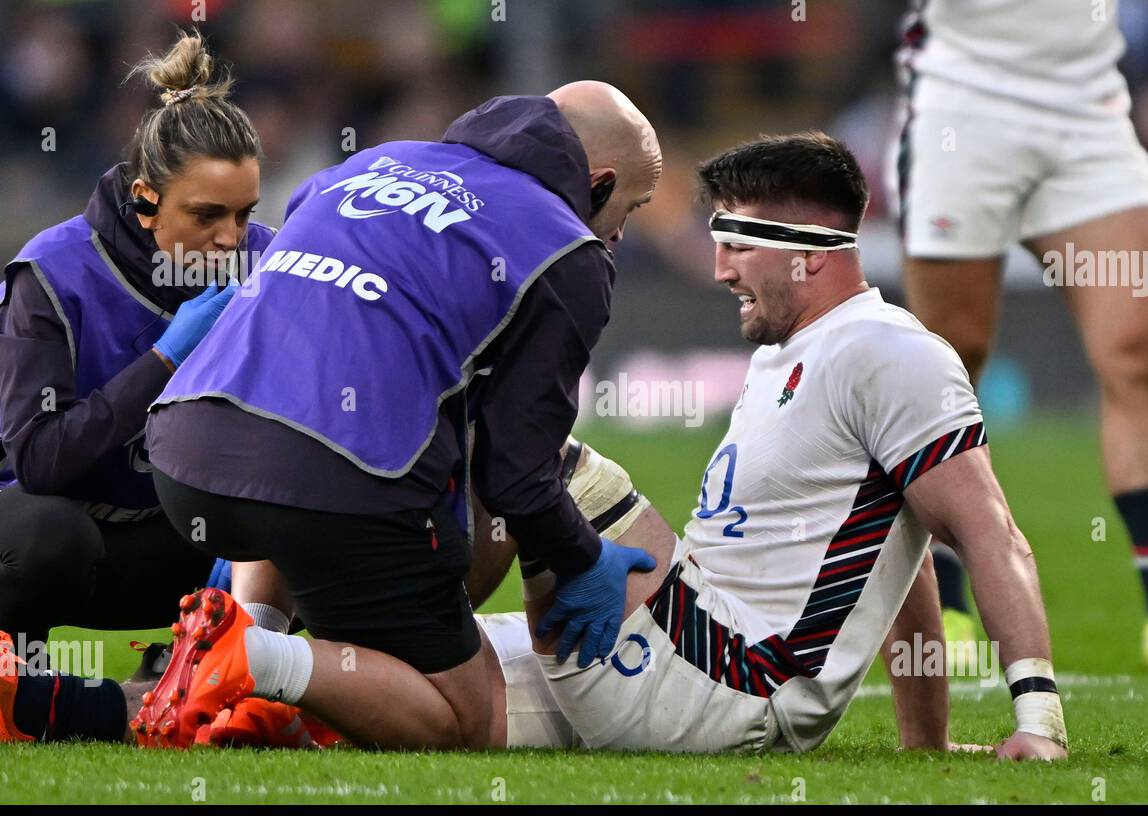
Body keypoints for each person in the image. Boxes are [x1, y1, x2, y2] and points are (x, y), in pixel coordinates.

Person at [138, 133, 1067, 760]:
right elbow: (901, 559)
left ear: (810, 252)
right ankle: (239, 671)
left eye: (737, 240)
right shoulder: (804, 356)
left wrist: (1040, 719)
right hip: (677, 646)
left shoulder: (891, 351)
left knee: (517, 442)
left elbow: (988, 532)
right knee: (448, 707)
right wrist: (926, 747)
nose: (719, 267)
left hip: (733, 677)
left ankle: (252, 635)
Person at [134, 83, 663, 750]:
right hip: (326, 478)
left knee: (295, 425)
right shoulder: (569, 250)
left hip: (186, 447)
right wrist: (585, 558)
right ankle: (251, 658)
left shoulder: (371, 161)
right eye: (629, 208)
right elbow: (517, 475)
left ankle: (239, 636)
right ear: (598, 183)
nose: (619, 232)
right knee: (464, 718)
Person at [885, 0, 1148, 667]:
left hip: (1087, 108)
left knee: (1139, 348)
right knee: (948, 365)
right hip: (964, 104)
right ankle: (947, 611)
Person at [0, 31, 271, 741]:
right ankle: (27, 680)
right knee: (44, 536)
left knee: (305, 521)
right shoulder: (52, 275)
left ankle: (188, 669)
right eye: (206, 216)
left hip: (175, 537)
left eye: (243, 214)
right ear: (145, 199)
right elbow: (38, 461)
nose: (230, 240)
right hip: (60, 535)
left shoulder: (266, 264)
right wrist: (166, 358)